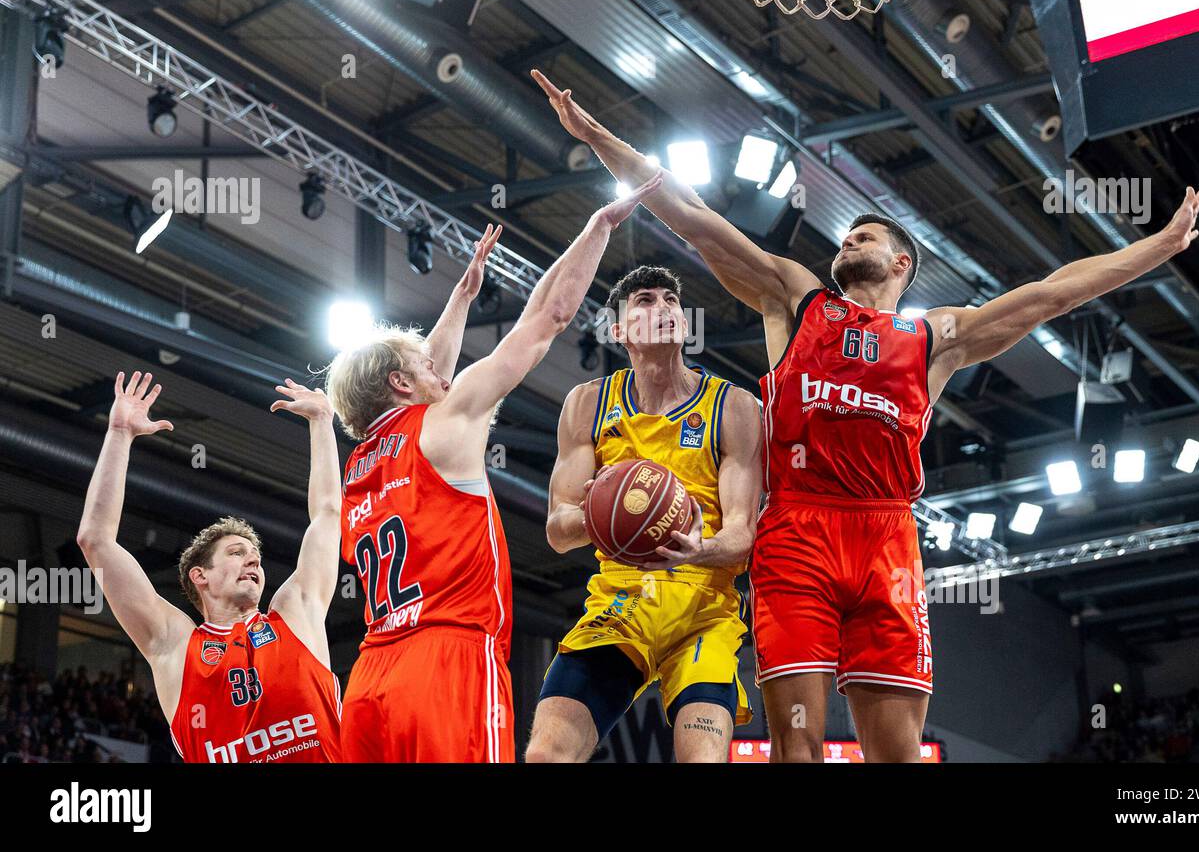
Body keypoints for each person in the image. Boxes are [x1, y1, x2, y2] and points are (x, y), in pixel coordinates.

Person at [532, 67, 1199, 762]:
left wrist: (1155, 247)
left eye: (864, 238)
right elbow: (693, 216)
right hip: (798, 530)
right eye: (845, 237)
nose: (847, 242)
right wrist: (600, 137)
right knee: (797, 742)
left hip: (887, 537)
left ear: (902, 263)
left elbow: (1049, 295)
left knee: (897, 752)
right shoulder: (798, 301)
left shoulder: (934, 338)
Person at [326, 179, 661, 762]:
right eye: (425, 367)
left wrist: (459, 301)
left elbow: (426, 385)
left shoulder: (356, 468)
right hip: (448, 655)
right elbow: (548, 318)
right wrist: (598, 228)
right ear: (403, 385)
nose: (442, 370)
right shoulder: (444, 424)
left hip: (372, 677)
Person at [526, 265, 762, 763]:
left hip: (703, 609)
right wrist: (596, 513)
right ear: (618, 330)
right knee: (548, 754)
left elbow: (743, 535)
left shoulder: (735, 406)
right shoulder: (588, 403)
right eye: (646, 301)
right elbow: (557, 532)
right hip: (622, 602)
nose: (664, 309)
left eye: (671, 301)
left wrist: (701, 548)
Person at [77, 372, 344, 763]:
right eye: (237, 552)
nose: (253, 559)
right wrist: (118, 433)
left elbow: (328, 513)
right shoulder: (175, 644)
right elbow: (95, 541)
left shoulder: (295, 612)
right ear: (199, 576)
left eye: (255, 555)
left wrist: (322, 423)